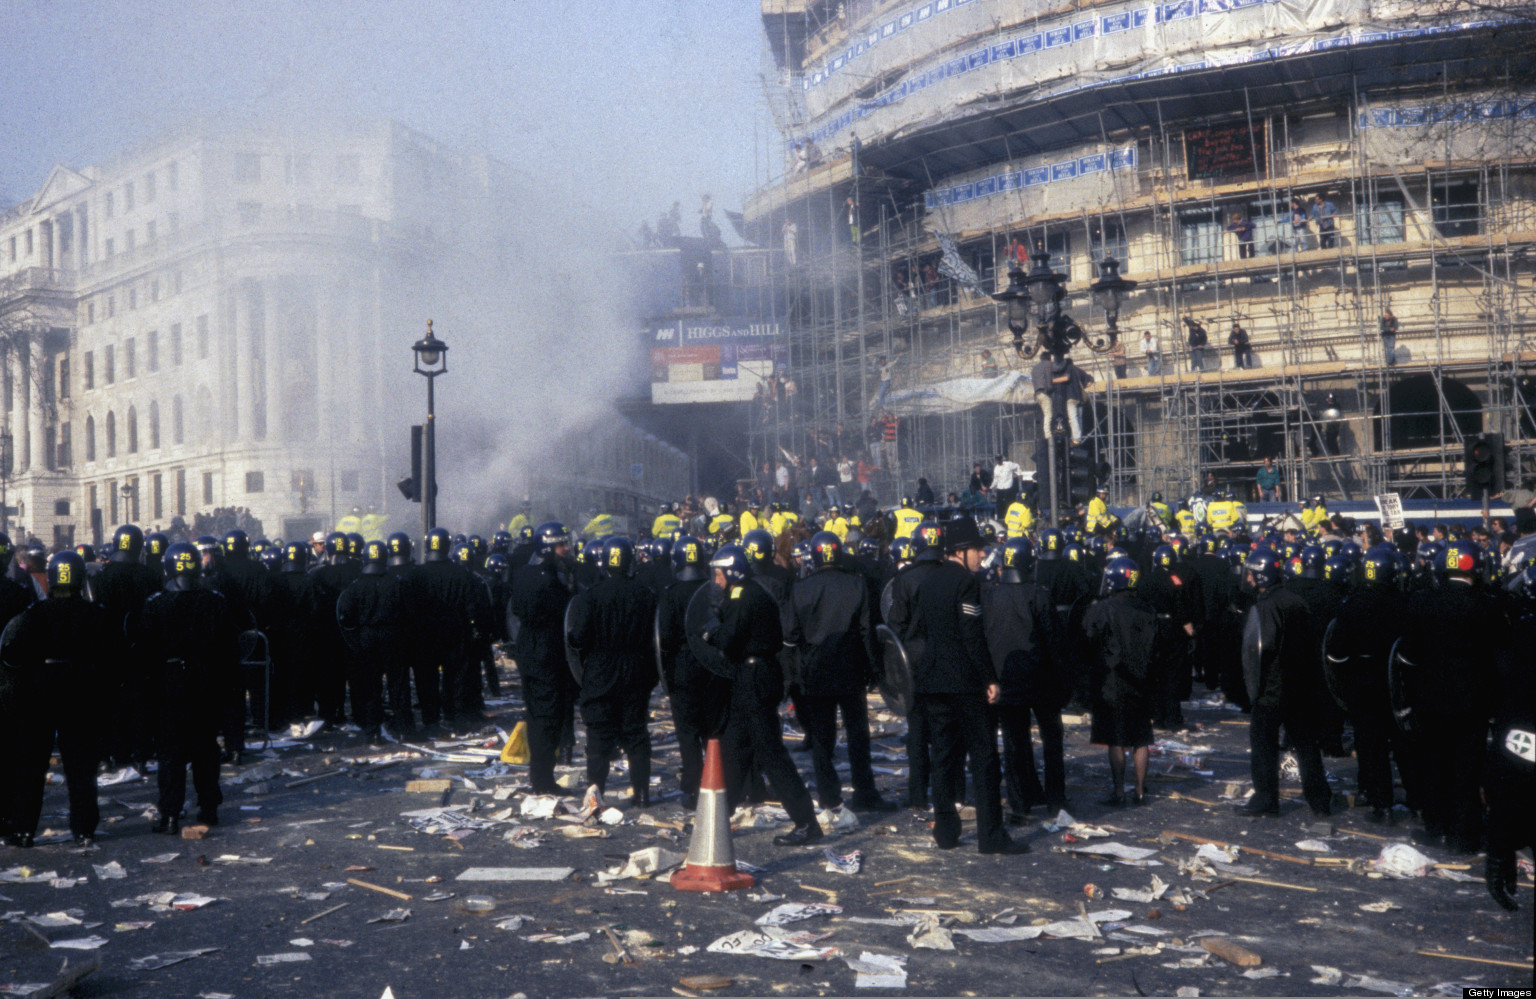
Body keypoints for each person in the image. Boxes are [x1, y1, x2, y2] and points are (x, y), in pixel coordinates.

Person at [899, 517, 1026, 853]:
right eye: (978, 548)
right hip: (964, 682)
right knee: (984, 758)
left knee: (942, 756)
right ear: (961, 551)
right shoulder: (966, 584)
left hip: (932, 681)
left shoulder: (927, 582)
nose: (982, 554)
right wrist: (989, 678)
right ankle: (991, 835)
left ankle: (945, 830)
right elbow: (972, 634)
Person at [707, 544, 822, 846]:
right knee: (735, 749)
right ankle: (716, 817)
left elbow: (730, 641)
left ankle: (806, 822)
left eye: (719, 574)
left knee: (771, 753)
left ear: (731, 572)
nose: (716, 581)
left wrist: (712, 633)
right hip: (757, 675)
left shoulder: (742, 596)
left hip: (754, 676)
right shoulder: (753, 592)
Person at [0, 552, 113, 848]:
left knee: (31, 764)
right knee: (81, 765)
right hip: (81, 691)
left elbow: (13, 654)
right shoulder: (96, 613)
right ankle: (84, 828)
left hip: (39, 692)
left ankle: (25, 830)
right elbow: (109, 659)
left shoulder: (34, 612)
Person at [784, 532, 895, 813]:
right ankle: (865, 793)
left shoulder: (801, 588)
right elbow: (867, 631)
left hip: (816, 671)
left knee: (823, 739)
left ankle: (829, 796)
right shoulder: (856, 584)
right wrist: (875, 671)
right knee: (858, 734)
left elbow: (791, 636)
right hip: (851, 669)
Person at [138, 542, 240, 834]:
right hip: (207, 681)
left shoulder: (156, 603)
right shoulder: (215, 600)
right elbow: (229, 648)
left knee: (170, 753)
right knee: (206, 749)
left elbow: (146, 652)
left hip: (169, 683)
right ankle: (208, 809)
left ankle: (170, 814)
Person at [1237, 549, 1331, 817]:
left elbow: (1260, 648)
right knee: (1306, 745)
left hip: (1272, 687)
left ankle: (1266, 799)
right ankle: (1320, 800)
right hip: (1300, 684)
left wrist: (1255, 687)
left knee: (1264, 745)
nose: (1250, 579)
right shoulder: (1296, 600)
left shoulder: (1265, 605)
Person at [566, 537, 658, 806]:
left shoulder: (590, 596)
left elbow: (578, 638)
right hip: (635, 673)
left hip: (600, 673)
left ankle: (597, 793)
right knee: (636, 734)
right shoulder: (646, 595)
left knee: (598, 737)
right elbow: (655, 637)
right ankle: (641, 793)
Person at [984, 537, 1068, 821]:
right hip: (1041, 679)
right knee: (1052, 741)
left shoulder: (991, 594)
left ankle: (1021, 801)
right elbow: (1054, 641)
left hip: (1006, 679)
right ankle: (1056, 800)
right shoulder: (1039, 594)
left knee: (1014, 743)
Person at [1083, 556, 1161, 806]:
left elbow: (1088, 636)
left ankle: (1118, 790)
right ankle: (1139, 790)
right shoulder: (1147, 608)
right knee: (1141, 738)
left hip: (1112, 680)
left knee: (1115, 739)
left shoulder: (1103, 608)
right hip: (1143, 679)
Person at [508, 522, 579, 795]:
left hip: (529, 652)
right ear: (549, 548)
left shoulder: (524, 572)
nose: (566, 550)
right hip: (546, 655)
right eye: (562, 545)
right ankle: (543, 780)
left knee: (537, 715)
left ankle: (540, 777)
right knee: (547, 720)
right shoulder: (549, 580)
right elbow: (564, 615)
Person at [337, 540, 409, 746]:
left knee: (369, 687)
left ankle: (373, 732)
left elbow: (345, 617)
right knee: (398, 684)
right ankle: (404, 728)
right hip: (393, 636)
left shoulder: (355, 586)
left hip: (367, 637)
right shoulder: (397, 582)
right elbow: (408, 613)